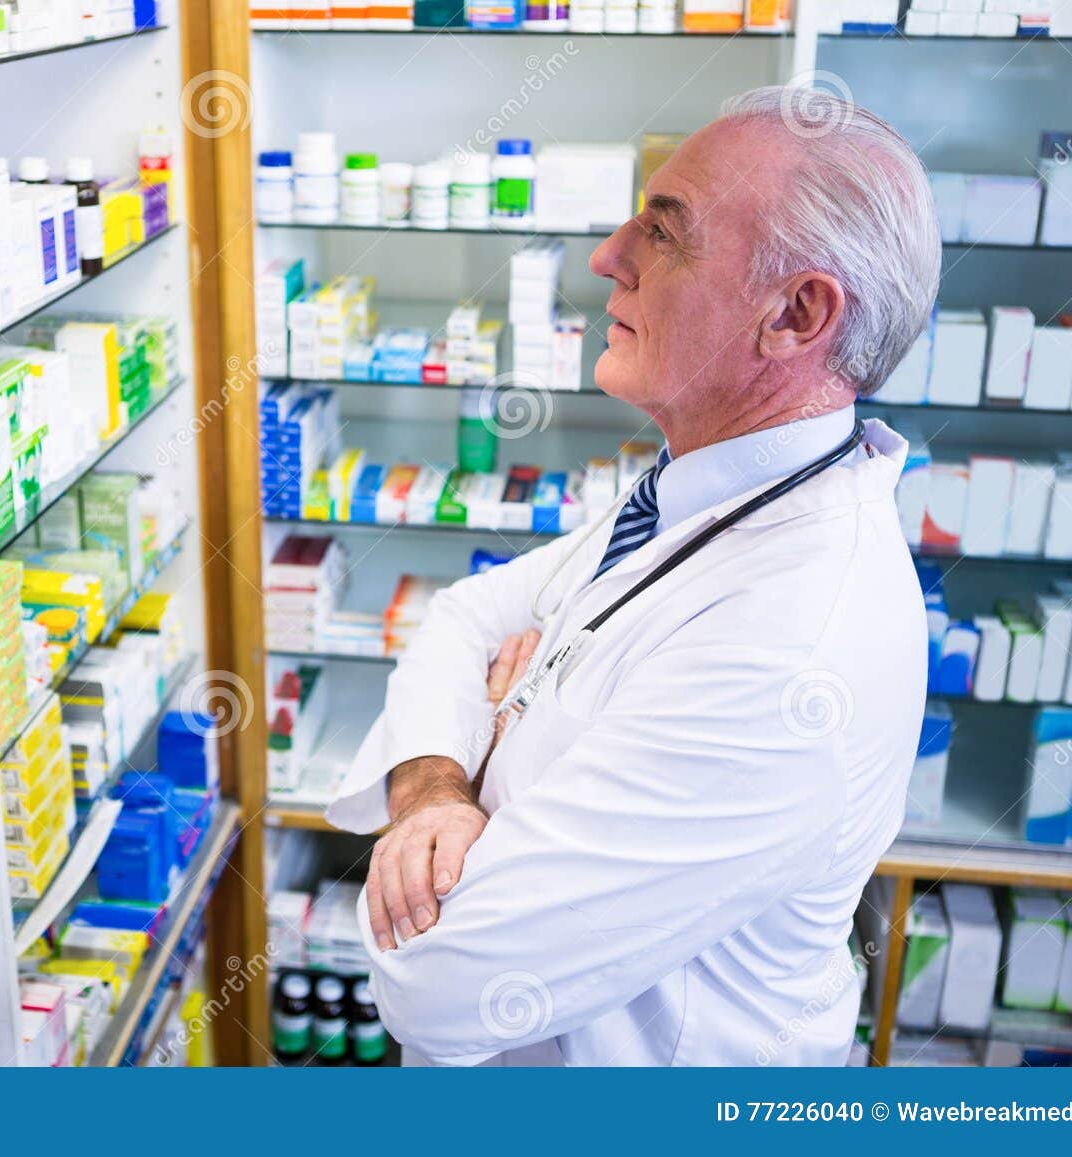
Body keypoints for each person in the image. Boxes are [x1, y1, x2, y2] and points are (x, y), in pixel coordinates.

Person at [325, 85, 940, 1066]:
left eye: (663, 232)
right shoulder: (704, 490)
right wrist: (439, 791)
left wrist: (497, 731)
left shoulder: (788, 642)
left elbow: (436, 977)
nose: (606, 256)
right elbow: (466, 613)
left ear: (795, 312)